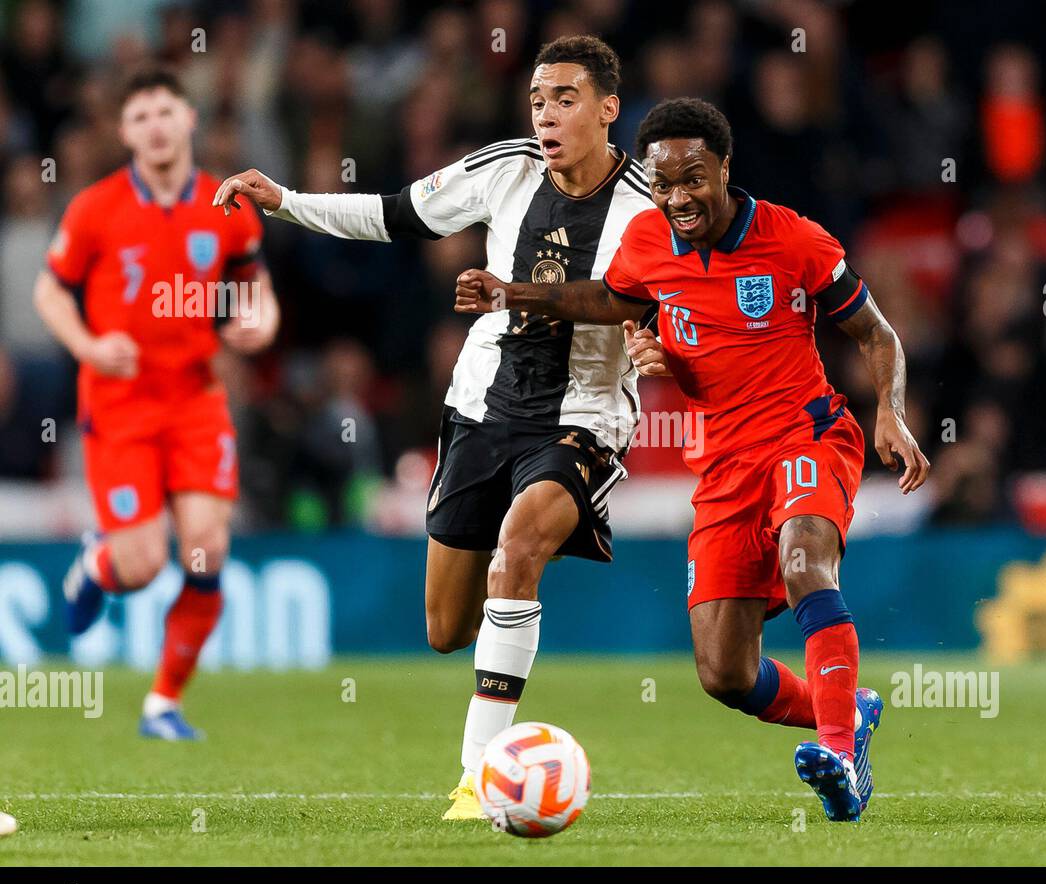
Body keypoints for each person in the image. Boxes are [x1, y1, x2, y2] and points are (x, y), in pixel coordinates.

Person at [214, 36, 654, 820]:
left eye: (566, 99)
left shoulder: (648, 204)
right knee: (447, 627)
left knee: (518, 553)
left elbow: (661, 296)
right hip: (484, 405)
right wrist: (287, 199)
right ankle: (500, 658)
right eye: (537, 99)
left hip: (582, 416)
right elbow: (396, 213)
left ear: (609, 109)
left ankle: (475, 778)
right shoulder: (507, 167)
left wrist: (660, 338)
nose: (546, 115)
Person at [455, 98, 930, 822]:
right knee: (725, 672)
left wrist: (889, 408)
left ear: (724, 170)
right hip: (723, 467)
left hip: (807, 434)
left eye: (693, 179)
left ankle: (841, 758)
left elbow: (875, 332)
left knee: (806, 559)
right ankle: (847, 711)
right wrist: (514, 293)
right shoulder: (648, 242)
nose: (678, 197)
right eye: (664, 182)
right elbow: (610, 300)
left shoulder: (791, 238)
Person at [34, 67, 280, 740]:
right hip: (120, 404)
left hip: (196, 400)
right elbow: (50, 293)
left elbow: (252, 286)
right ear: (124, 132)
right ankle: (97, 564)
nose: (155, 125)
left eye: (165, 110)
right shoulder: (95, 208)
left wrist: (260, 322)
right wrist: (87, 344)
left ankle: (162, 704)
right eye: (140, 116)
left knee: (206, 550)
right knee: (140, 566)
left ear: (189, 118)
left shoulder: (227, 205)